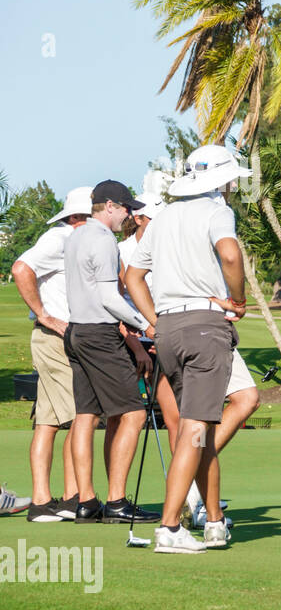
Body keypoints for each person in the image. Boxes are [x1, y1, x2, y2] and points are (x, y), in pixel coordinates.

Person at [125, 145, 250, 553]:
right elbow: (230, 254)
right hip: (205, 328)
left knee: (203, 425)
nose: (234, 185)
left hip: (170, 331)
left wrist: (156, 321)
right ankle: (170, 526)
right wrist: (238, 298)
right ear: (220, 180)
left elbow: (133, 277)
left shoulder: (163, 218)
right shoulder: (217, 211)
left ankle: (214, 522)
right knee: (196, 431)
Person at [63, 180, 159, 526]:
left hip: (76, 332)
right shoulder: (103, 240)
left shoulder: (75, 236)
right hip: (100, 334)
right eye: (125, 208)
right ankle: (117, 502)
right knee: (133, 414)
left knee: (87, 416)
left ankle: (87, 501)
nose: (130, 215)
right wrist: (147, 325)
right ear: (108, 206)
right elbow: (108, 297)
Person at [10, 186, 93, 522]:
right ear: (77, 217)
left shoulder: (74, 242)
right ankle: (72, 498)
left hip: (58, 338)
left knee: (48, 421)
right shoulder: (58, 239)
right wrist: (43, 313)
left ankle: (44, 501)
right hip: (55, 337)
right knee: (79, 417)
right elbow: (20, 269)